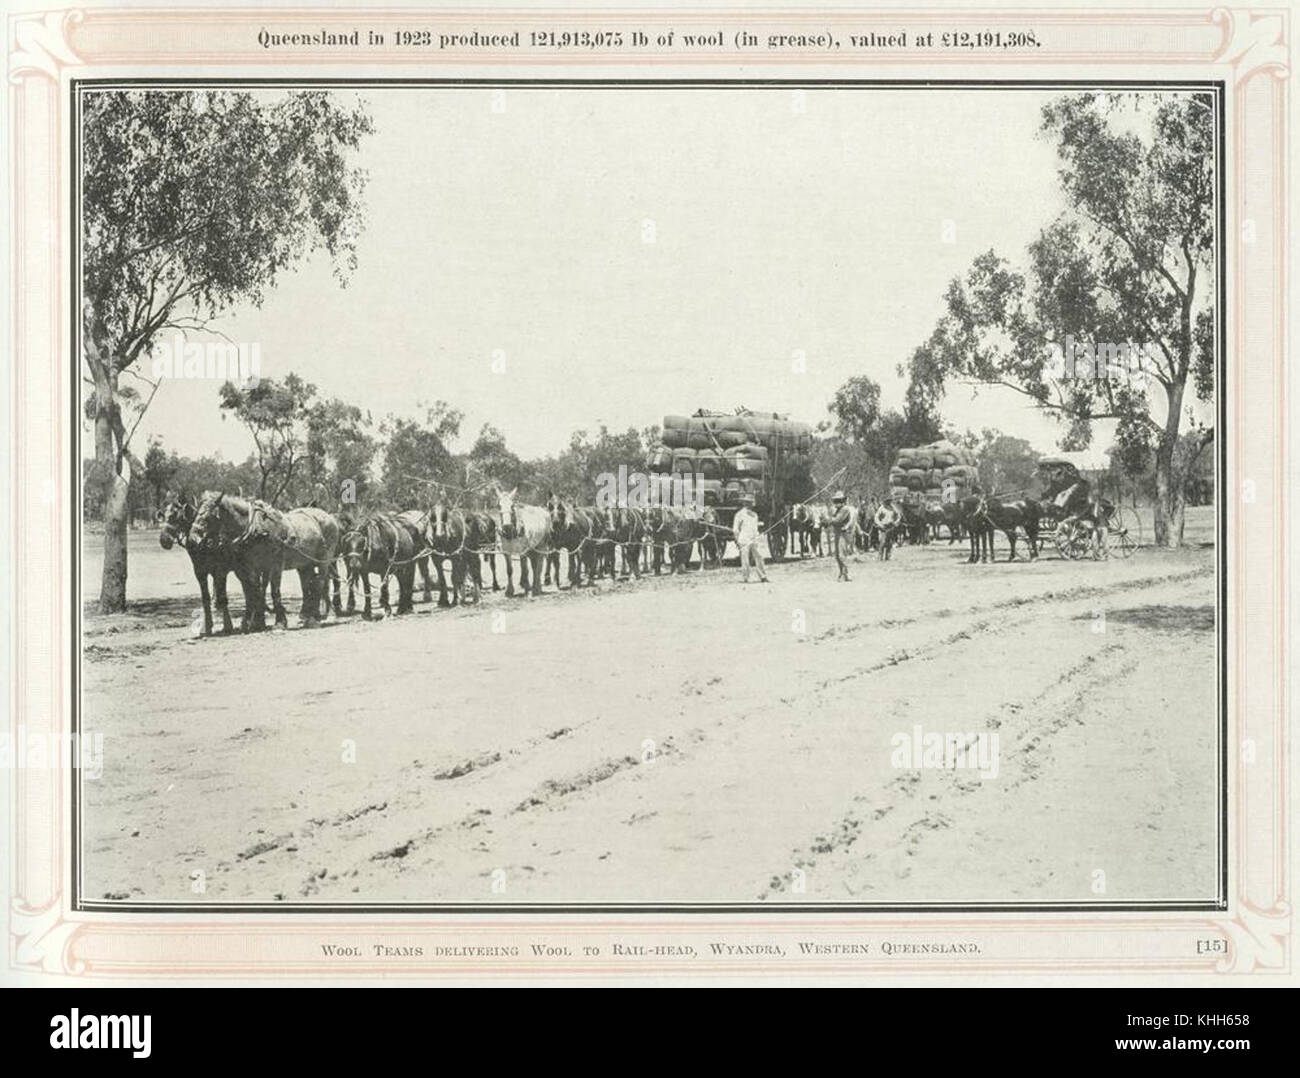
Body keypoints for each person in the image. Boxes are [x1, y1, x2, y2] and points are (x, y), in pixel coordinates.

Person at [733, 496, 768, 583]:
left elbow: (755, 527)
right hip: (744, 539)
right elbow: (735, 529)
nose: (750, 504)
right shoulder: (739, 514)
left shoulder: (754, 515)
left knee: (759, 557)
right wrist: (737, 540)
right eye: (748, 502)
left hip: (754, 538)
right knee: (745, 559)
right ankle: (746, 577)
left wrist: (758, 536)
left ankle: (763, 576)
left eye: (751, 503)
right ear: (744, 503)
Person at [829, 491, 854, 581]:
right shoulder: (837, 510)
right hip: (837, 533)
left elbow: (837, 520)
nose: (836, 503)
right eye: (835, 501)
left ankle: (845, 574)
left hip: (843, 534)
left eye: (838, 501)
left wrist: (829, 519)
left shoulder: (845, 509)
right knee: (837, 555)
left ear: (842, 501)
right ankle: (842, 572)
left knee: (841, 555)